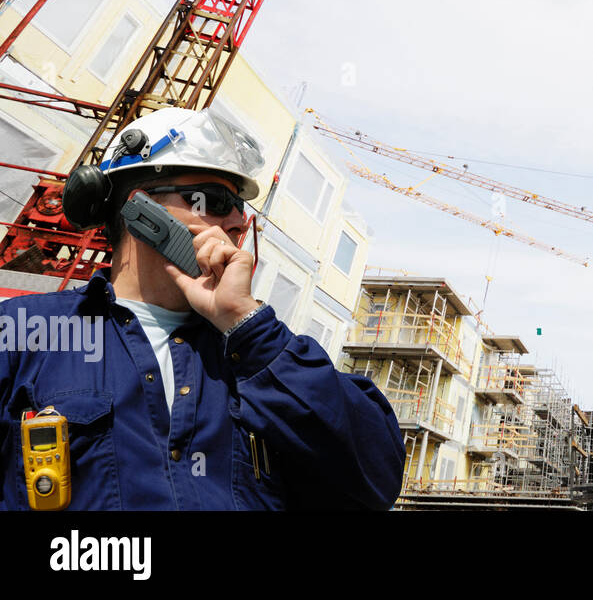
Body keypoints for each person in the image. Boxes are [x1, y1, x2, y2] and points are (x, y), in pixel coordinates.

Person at [0, 107, 404, 510]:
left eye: (240, 209)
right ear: (143, 211)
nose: (236, 222)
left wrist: (246, 327)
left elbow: (376, 480)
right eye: (214, 200)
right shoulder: (26, 331)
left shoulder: (262, 357)